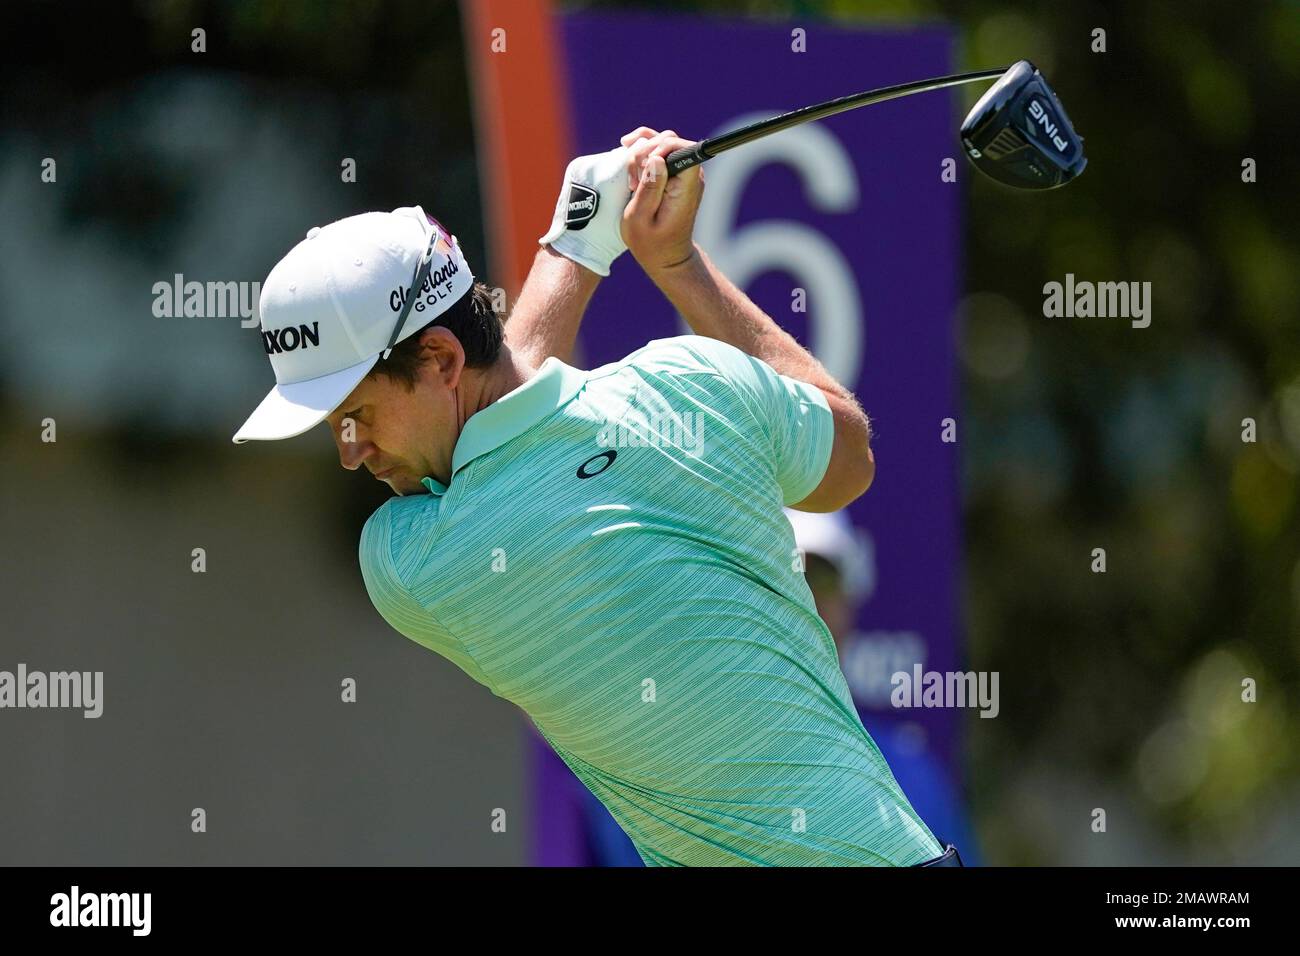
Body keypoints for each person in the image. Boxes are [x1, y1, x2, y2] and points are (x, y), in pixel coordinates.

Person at [233, 128, 957, 866]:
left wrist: (574, 246)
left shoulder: (410, 561)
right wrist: (675, 264)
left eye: (356, 415)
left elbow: (498, 424)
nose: (350, 452)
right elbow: (849, 459)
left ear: (443, 357)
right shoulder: (694, 383)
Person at [784, 508, 980, 866]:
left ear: (849, 601)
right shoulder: (684, 766)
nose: (808, 598)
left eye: (823, 578)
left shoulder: (914, 776)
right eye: (793, 575)